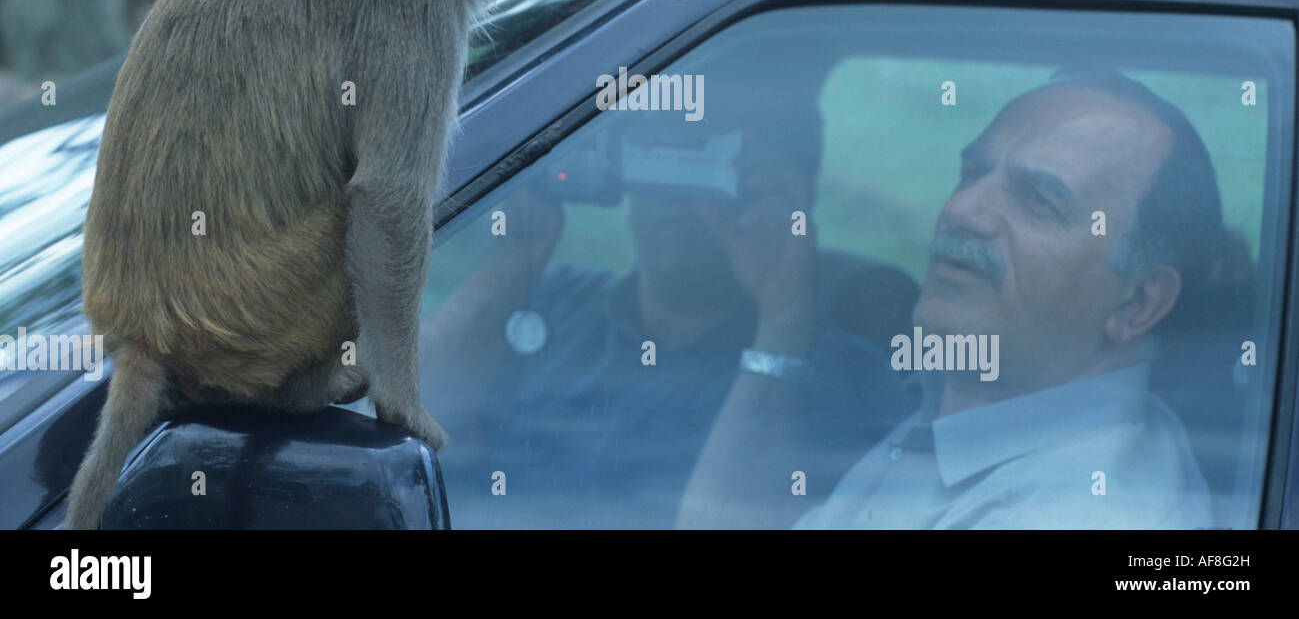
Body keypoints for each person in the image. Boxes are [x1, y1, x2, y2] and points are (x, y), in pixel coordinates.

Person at [418, 99, 919, 529]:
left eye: (713, 164)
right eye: (660, 153)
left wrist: (784, 318)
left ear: (792, 193)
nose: (678, 198)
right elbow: (410, 433)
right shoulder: (546, 306)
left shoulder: (839, 369)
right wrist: (515, 253)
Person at [791, 69, 1231, 529]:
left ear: (1138, 302)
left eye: (1040, 200)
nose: (959, 210)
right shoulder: (977, 408)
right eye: (973, 173)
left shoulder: (1086, 516)